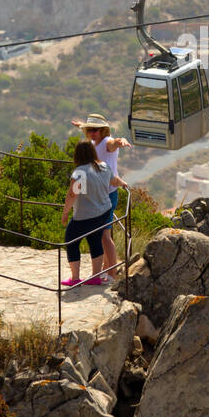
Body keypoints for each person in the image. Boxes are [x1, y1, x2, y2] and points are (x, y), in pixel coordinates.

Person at [70, 113, 131, 282]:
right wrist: (82, 125)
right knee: (101, 235)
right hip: (98, 194)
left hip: (108, 194)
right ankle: (106, 269)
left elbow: (114, 143)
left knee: (105, 235)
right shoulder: (92, 142)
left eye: (95, 130)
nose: (91, 133)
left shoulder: (106, 143)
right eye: (89, 130)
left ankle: (111, 273)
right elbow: (90, 133)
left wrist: (121, 141)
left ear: (103, 130)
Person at [60, 139, 127, 287]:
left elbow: (72, 195)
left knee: (71, 241)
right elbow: (114, 180)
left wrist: (65, 213)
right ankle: (95, 276)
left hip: (84, 215)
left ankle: (75, 278)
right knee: (95, 240)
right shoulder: (103, 166)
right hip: (103, 212)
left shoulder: (80, 172)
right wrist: (122, 183)